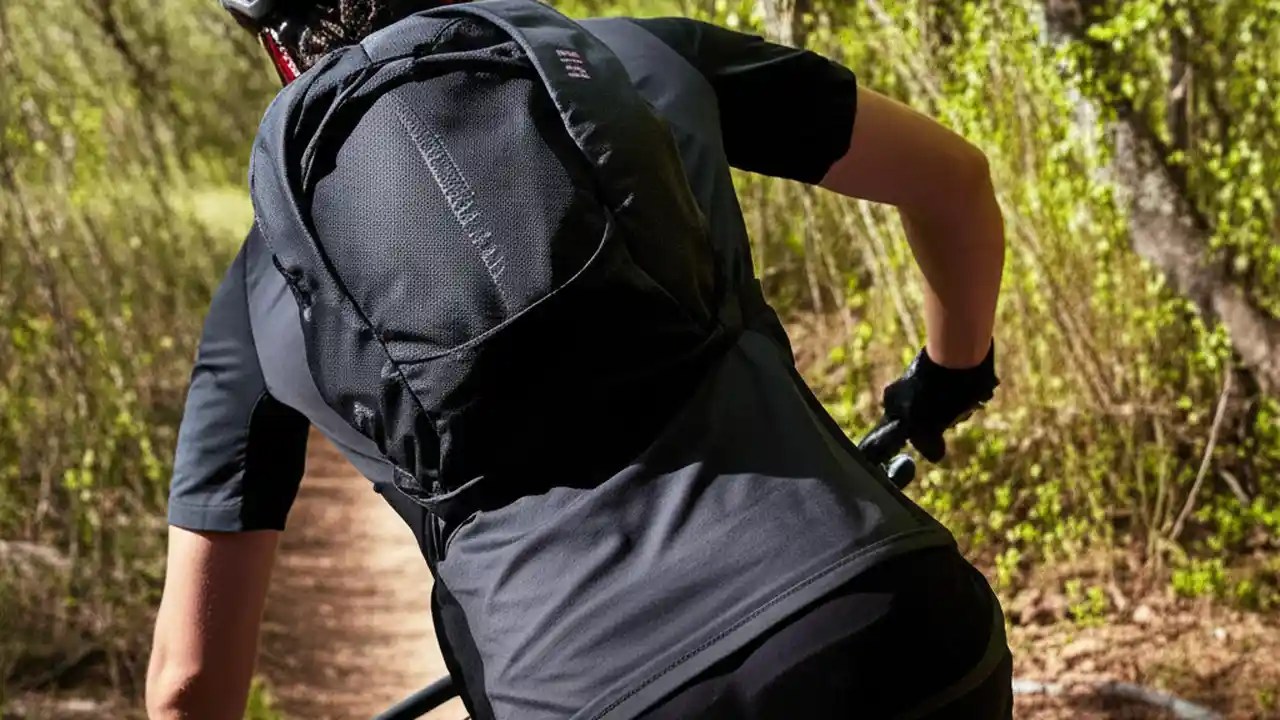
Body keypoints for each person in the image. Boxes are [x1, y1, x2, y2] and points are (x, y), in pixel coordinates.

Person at [146, 0, 1010, 718]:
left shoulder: (262, 288)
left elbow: (188, 682)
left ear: (276, 50)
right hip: (887, 621)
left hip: (585, 694)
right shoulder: (631, 57)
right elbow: (953, 180)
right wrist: (950, 374)